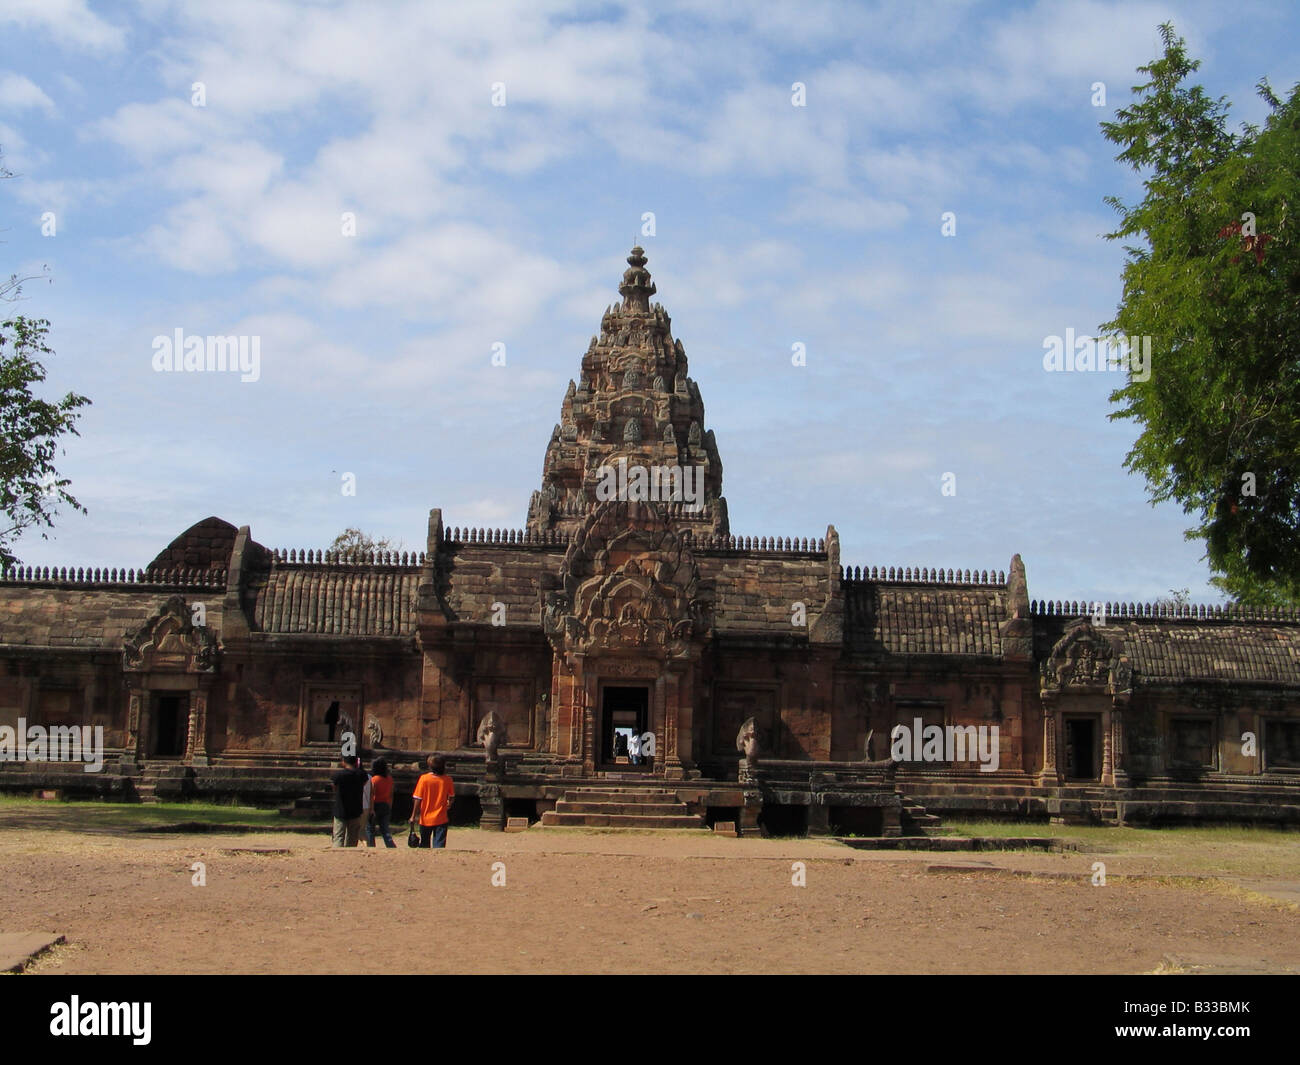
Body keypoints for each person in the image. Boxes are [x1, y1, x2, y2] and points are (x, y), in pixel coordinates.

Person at [409, 754, 454, 849]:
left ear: (430, 766)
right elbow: (451, 797)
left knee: (424, 844)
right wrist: (449, 804)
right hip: (441, 817)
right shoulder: (447, 780)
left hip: (425, 818)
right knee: (439, 845)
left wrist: (413, 815)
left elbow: (417, 798)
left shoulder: (424, 779)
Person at [330, 754, 368, 847]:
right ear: (355, 762)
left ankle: (337, 855)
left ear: (343, 762)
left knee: (338, 836)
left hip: (341, 808)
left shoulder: (338, 775)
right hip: (355, 809)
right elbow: (364, 783)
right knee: (352, 837)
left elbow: (334, 787)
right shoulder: (361, 774)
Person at [365, 757, 396, 848]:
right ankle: (390, 845)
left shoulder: (374, 779)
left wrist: (371, 809)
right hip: (385, 804)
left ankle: (371, 846)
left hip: (375, 805)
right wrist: (390, 806)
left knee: (370, 828)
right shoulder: (389, 779)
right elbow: (391, 794)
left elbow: (371, 795)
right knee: (385, 829)